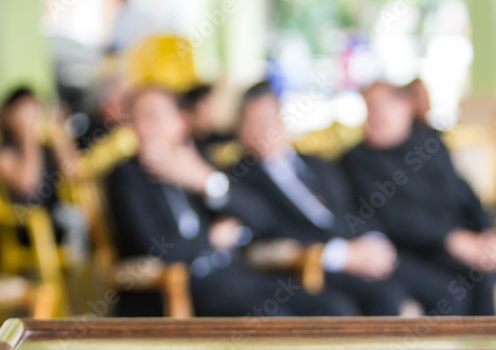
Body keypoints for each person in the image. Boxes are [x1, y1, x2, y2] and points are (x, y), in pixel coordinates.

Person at [106, 86, 354, 317]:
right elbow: (156, 249)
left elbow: (259, 219)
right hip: (185, 287)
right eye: (138, 118)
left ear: (181, 120)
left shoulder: (199, 161)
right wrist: (211, 239)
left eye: (155, 115)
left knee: (332, 308)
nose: (147, 126)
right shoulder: (126, 177)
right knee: (274, 321)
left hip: (236, 276)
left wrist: (204, 181)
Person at [342, 81, 496, 315]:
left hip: (464, 239)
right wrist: (451, 239)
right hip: (419, 250)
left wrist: (489, 232)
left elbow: (466, 194)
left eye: (379, 107)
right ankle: (477, 341)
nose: (372, 118)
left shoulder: (430, 144)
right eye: (368, 109)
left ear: (405, 106)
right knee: (475, 282)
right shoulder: (357, 160)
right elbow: (393, 217)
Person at [227, 81, 411, 316]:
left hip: (357, 248)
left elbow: (351, 206)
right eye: (253, 122)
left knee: (416, 287)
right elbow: (269, 229)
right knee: (359, 303)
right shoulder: (240, 179)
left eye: (268, 119)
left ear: (282, 120)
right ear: (240, 130)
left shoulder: (317, 164)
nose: (263, 129)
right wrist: (340, 254)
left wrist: (372, 240)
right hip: (308, 265)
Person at [0, 87, 88, 256]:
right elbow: (28, 186)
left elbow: (72, 172)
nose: (33, 117)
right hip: (27, 225)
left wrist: (59, 135)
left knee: (82, 217)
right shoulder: (2, 153)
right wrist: (28, 137)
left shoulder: (45, 144)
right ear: (9, 115)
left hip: (56, 217)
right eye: (26, 112)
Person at [180, 83, 234, 164]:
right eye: (207, 104)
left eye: (213, 104)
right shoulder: (182, 141)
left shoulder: (223, 140)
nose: (212, 110)